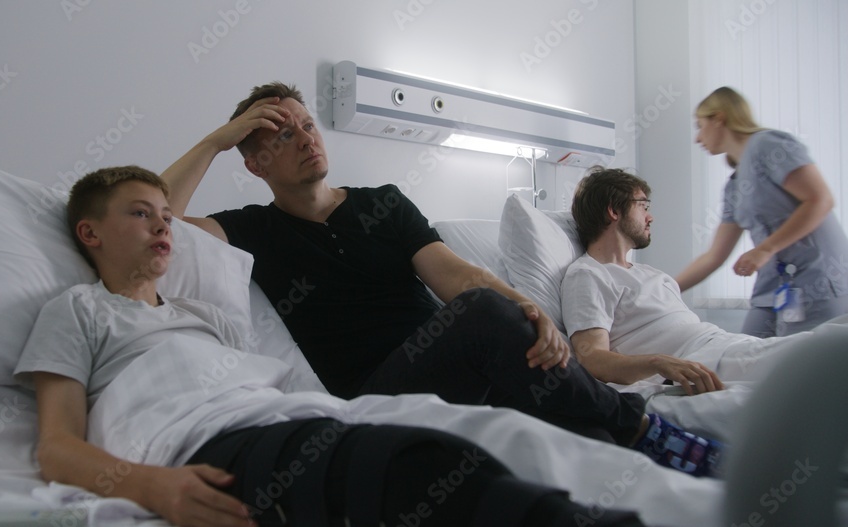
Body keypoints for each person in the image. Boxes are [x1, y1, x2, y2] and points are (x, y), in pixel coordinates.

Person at [13, 166, 666, 526]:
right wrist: (153, 487)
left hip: (296, 418)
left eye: (163, 214)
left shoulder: (204, 313)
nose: (162, 225)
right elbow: (56, 446)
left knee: (449, 454)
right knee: (419, 466)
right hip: (211, 443)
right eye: (139, 212)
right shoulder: (78, 310)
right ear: (89, 233)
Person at [161, 81, 724, 473]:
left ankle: (656, 469)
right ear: (253, 162)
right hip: (373, 400)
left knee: (573, 424)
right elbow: (152, 221)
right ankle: (640, 425)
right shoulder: (252, 230)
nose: (307, 138)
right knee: (485, 317)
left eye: (308, 125)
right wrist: (217, 138)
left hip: (460, 367)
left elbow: (455, 274)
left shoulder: (383, 203)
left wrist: (528, 312)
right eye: (283, 136)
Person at [563, 167, 821, 396]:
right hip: (702, 361)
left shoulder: (651, 274)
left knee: (825, 345)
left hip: (725, 346)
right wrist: (657, 363)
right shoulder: (588, 274)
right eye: (643, 206)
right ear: (613, 211)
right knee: (823, 355)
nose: (650, 217)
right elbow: (592, 358)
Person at [675, 86, 848, 337]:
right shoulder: (735, 186)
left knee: (805, 370)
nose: (697, 138)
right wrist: (661, 290)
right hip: (773, 292)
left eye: (699, 125)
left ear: (719, 118)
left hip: (817, 284)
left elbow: (820, 199)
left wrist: (765, 249)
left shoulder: (768, 145)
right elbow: (714, 256)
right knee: (746, 360)